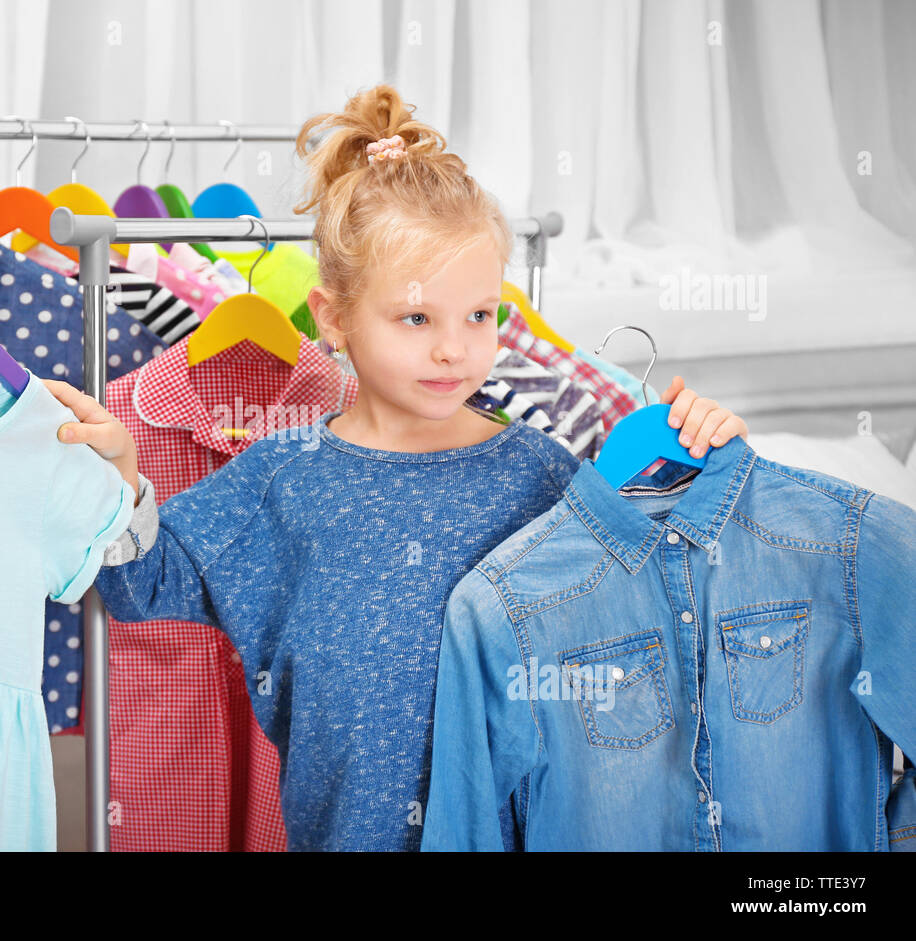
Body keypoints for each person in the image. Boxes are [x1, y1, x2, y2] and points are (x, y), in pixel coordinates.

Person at [42, 84, 748, 851]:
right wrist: (121, 475)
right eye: (417, 318)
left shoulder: (542, 475)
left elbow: (661, 596)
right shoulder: (285, 478)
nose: (454, 348)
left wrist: (700, 458)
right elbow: (144, 584)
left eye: (479, 315)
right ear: (333, 318)